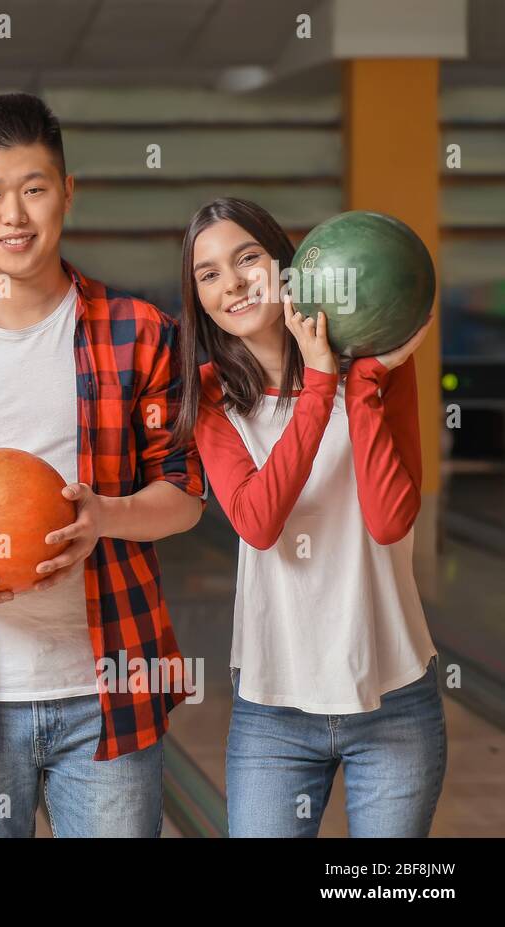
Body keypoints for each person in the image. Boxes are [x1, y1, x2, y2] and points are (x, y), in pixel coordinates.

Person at [0, 93, 205, 837]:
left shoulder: (141, 334)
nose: (13, 214)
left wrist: (105, 518)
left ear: (67, 192)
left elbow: (184, 491)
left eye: (34, 189)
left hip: (108, 692)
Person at [174, 196, 443, 837]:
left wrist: (359, 383)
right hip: (274, 710)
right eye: (208, 274)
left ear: (291, 268)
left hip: (395, 697)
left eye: (247, 259)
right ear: (199, 297)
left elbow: (389, 521)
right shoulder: (214, 395)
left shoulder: (376, 371)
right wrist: (321, 385)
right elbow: (259, 522)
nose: (232, 283)